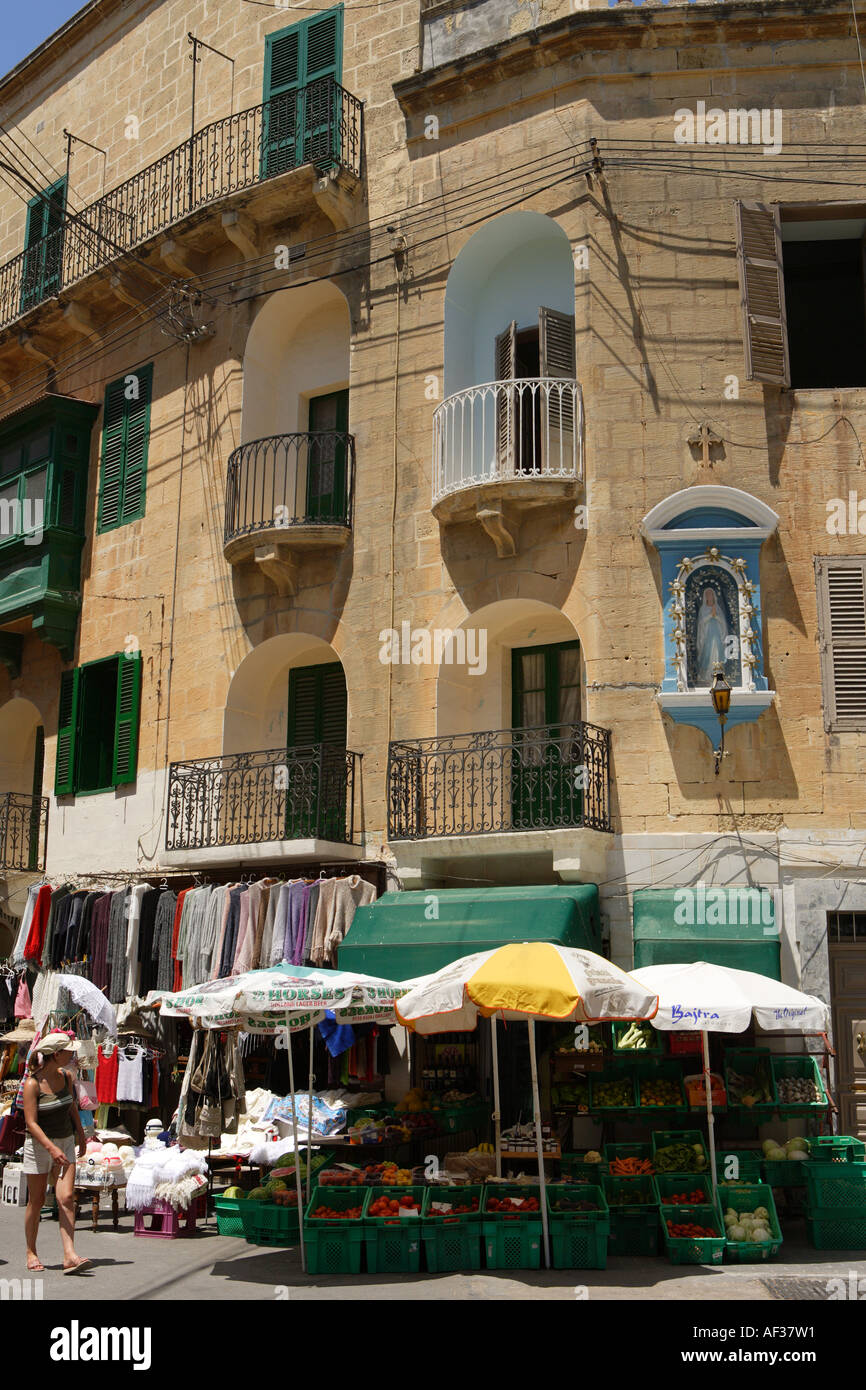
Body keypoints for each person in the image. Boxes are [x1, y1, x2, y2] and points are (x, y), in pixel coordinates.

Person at [21, 1032, 91, 1274]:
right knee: (37, 1200)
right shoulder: (32, 1083)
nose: (73, 1055)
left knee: (67, 1196)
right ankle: (31, 1251)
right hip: (39, 1146)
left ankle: (70, 1254)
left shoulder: (66, 1076)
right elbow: (31, 1123)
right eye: (69, 1051)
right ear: (57, 1054)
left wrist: (81, 1135)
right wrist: (51, 1149)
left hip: (65, 1141)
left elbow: (71, 1106)